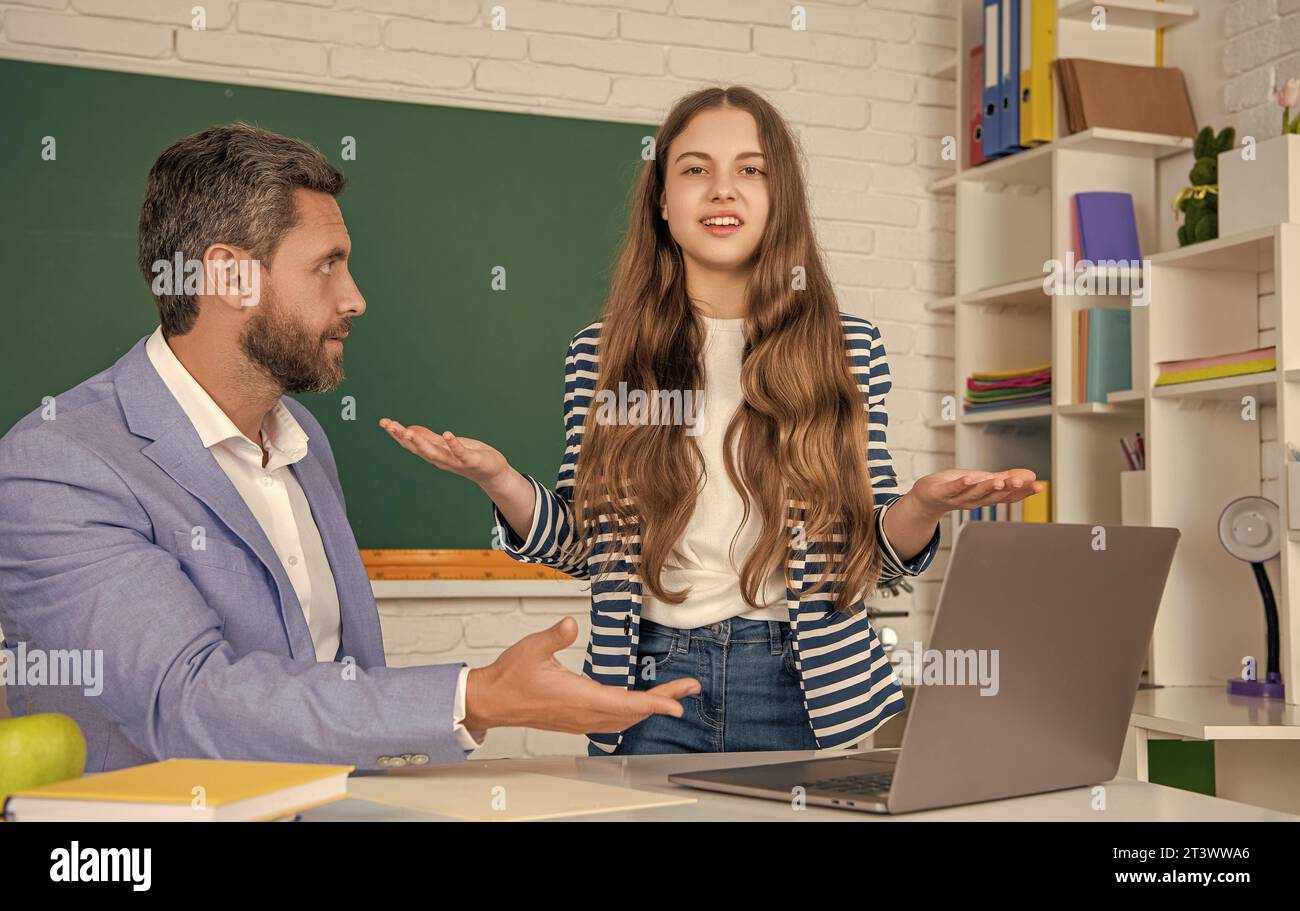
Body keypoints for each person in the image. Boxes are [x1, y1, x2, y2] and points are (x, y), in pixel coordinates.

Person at [0, 122, 698, 774]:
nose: (356, 298)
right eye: (327, 266)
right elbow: (187, 701)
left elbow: (340, 674)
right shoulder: (59, 468)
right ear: (229, 276)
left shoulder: (303, 440)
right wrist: (475, 697)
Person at [381, 86, 1041, 756]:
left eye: (751, 170)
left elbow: (873, 549)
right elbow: (583, 547)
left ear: (780, 198)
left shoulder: (845, 347)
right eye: (696, 169)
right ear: (663, 201)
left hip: (804, 683)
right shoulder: (601, 354)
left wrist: (924, 505)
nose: (723, 189)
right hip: (648, 681)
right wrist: (499, 480)